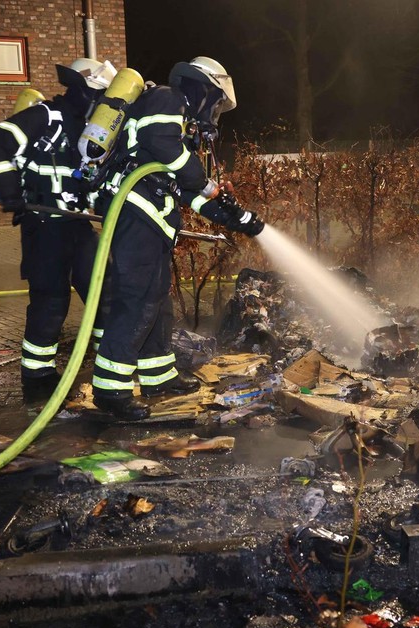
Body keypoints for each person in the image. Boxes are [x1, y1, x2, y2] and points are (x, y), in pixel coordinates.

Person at [89, 56, 266, 420]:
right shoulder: (168, 99)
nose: (214, 113)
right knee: (136, 299)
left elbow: (186, 190)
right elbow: (169, 151)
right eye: (216, 103)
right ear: (203, 89)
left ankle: (158, 375)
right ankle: (110, 391)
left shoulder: (178, 126)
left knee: (155, 299)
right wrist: (203, 180)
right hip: (135, 213)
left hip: (148, 215)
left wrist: (236, 218)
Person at [0, 57, 117, 403]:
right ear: (86, 91)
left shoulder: (92, 130)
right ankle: (38, 378)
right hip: (43, 227)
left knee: (105, 292)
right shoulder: (45, 117)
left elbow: (91, 178)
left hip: (78, 224)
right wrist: (10, 193)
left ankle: (111, 365)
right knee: (51, 302)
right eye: (102, 97)